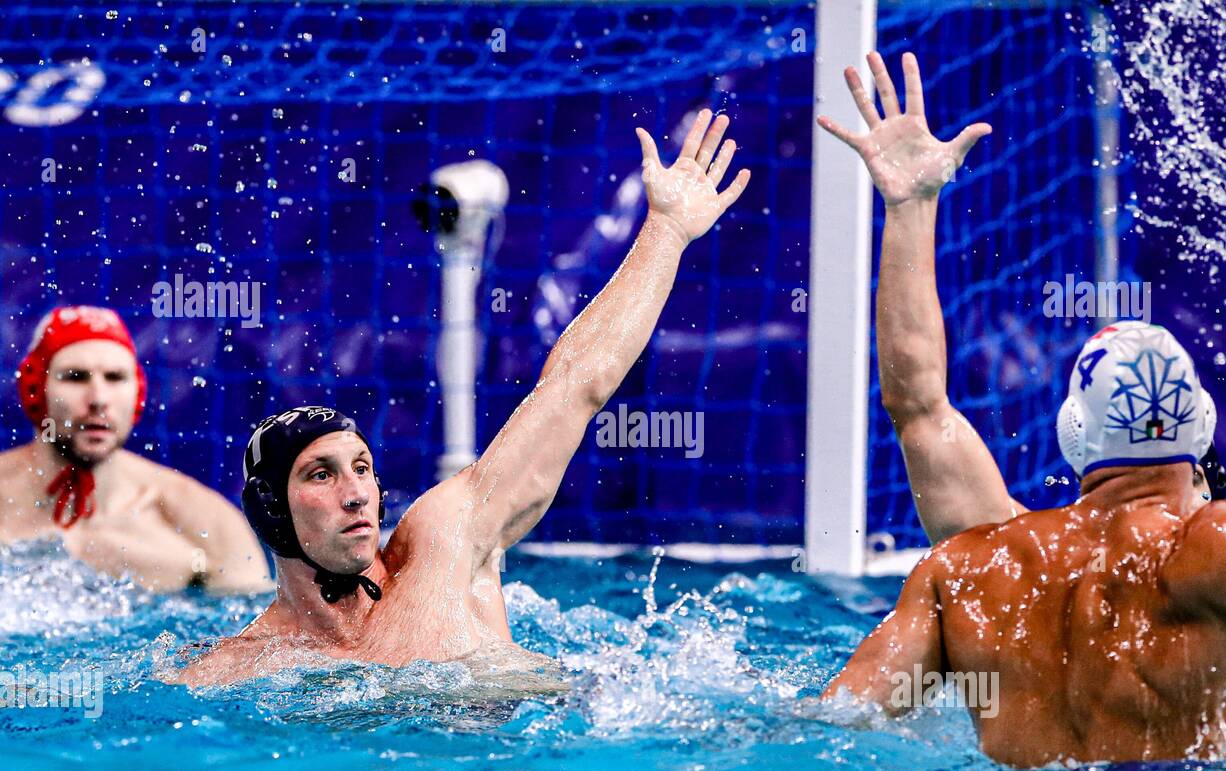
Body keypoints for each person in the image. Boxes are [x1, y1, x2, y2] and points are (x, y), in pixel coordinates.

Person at [817, 52, 1226, 768]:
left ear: (1073, 433)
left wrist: (910, 205)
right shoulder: (1215, 548)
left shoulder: (973, 566)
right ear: (1200, 433)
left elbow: (917, 408)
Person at [175, 110, 750, 686]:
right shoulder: (234, 670)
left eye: (362, 468)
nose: (356, 495)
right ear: (272, 509)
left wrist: (666, 231)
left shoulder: (446, 544)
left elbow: (575, 386)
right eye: (321, 475)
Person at [0, 305, 270, 592]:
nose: (99, 399)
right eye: (75, 377)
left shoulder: (206, 526)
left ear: (137, 393)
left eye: (115, 377)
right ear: (35, 389)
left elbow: (255, 617)